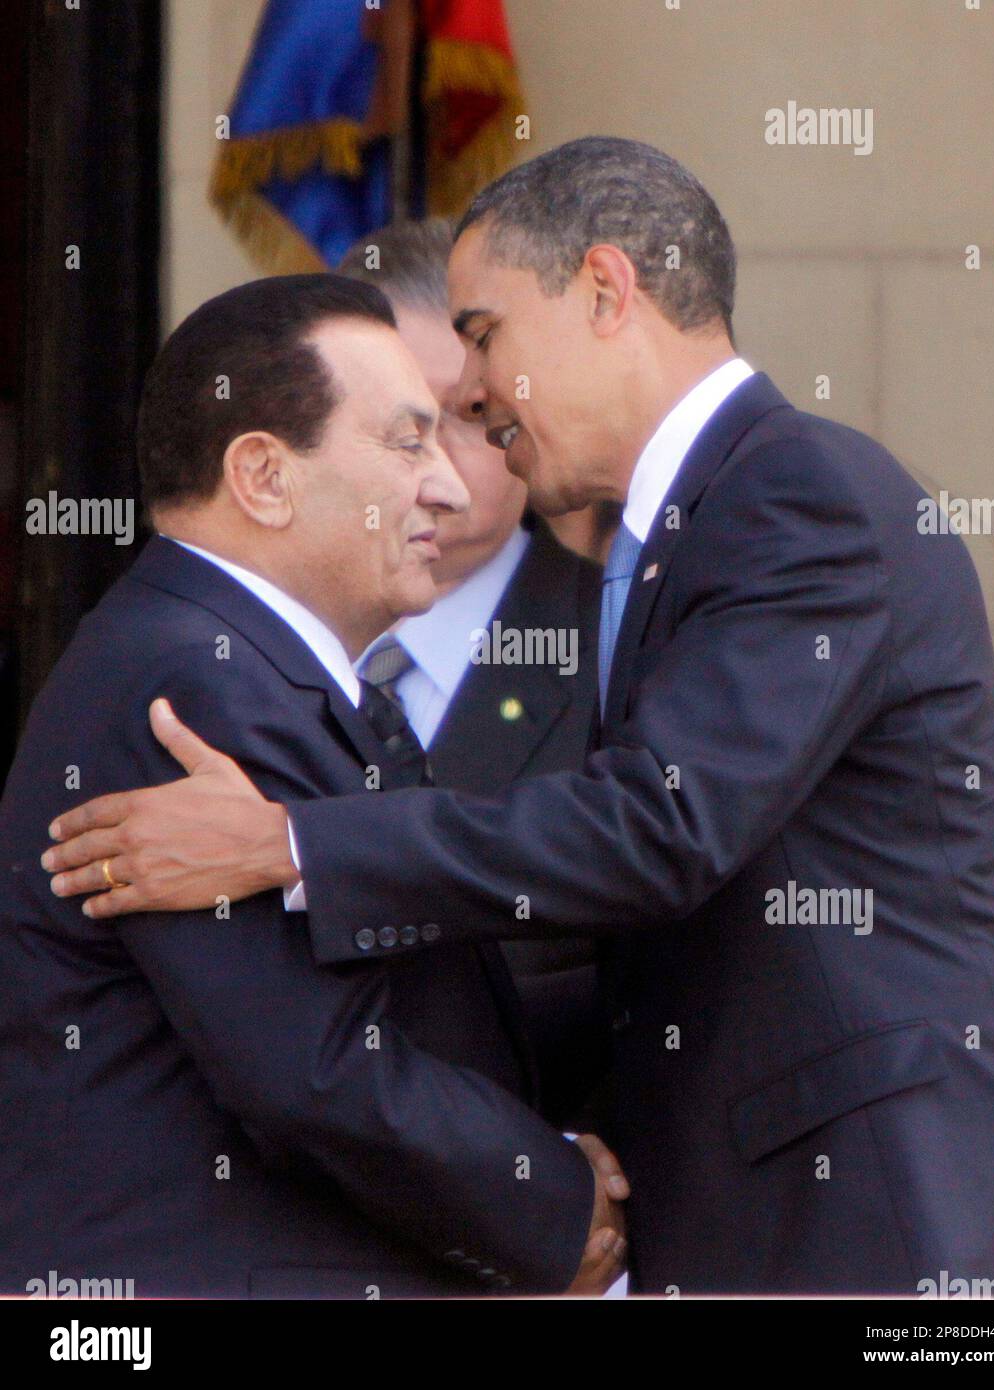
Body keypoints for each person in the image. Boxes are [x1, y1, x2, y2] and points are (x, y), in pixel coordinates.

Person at [44, 137, 994, 1295]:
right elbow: (669, 940)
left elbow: (658, 829)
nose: (467, 393)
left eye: (482, 334)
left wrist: (285, 845)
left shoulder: (793, 492)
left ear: (606, 292)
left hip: (880, 1221)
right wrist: (530, 1167)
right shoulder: (689, 524)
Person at [2, 273, 628, 1298]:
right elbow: (313, 1069)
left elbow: (425, 1008)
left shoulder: (241, 664)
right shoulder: (194, 683)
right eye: (406, 441)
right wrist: (557, 1203)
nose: (452, 487)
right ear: (263, 476)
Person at [343, 219, 607, 1127]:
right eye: (397, 425)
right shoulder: (251, 646)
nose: (434, 468)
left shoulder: (622, 639)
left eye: (463, 415)